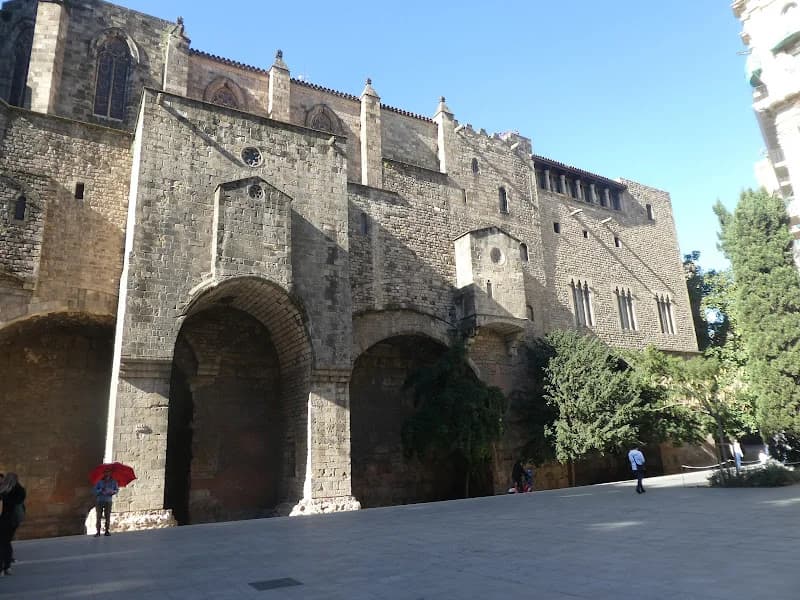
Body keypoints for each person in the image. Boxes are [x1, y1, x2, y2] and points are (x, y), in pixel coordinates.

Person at [0, 473, 26, 576]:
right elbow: (19, 502)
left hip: (3, 520)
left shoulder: (3, 491)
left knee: (2, 544)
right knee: (6, 543)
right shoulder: (20, 490)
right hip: (13, 521)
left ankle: (2, 568)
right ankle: (7, 567)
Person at [93, 468, 118, 537]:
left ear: (110, 473)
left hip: (108, 501)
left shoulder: (114, 482)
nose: (107, 474)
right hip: (100, 501)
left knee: (107, 516)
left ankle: (107, 531)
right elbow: (94, 491)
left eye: (109, 472)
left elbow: (116, 490)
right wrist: (101, 490)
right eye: (106, 472)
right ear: (104, 473)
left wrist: (112, 492)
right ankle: (98, 532)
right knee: (98, 516)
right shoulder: (99, 482)